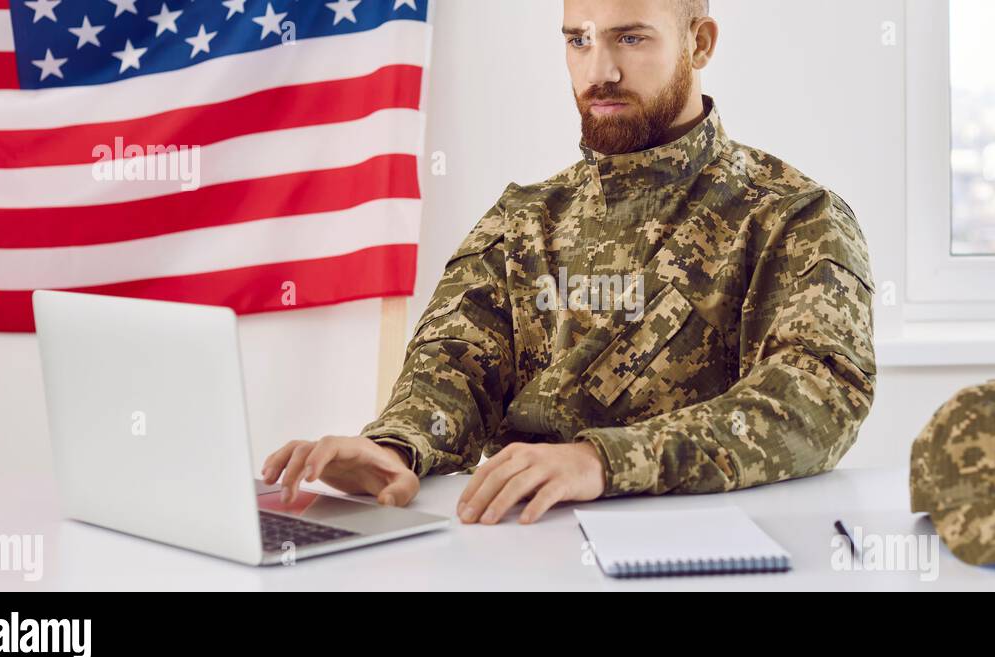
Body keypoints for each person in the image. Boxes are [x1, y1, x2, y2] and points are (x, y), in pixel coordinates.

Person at [262, 0, 876, 526]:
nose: (599, 71)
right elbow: (452, 371)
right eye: (578, 40)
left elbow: (818, 397)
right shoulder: (523, 219)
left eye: (630, 38)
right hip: (522, 543)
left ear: (700, 41)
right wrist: (397, 447)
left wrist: (601, 461)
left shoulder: (790, 216)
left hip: (706, 555)